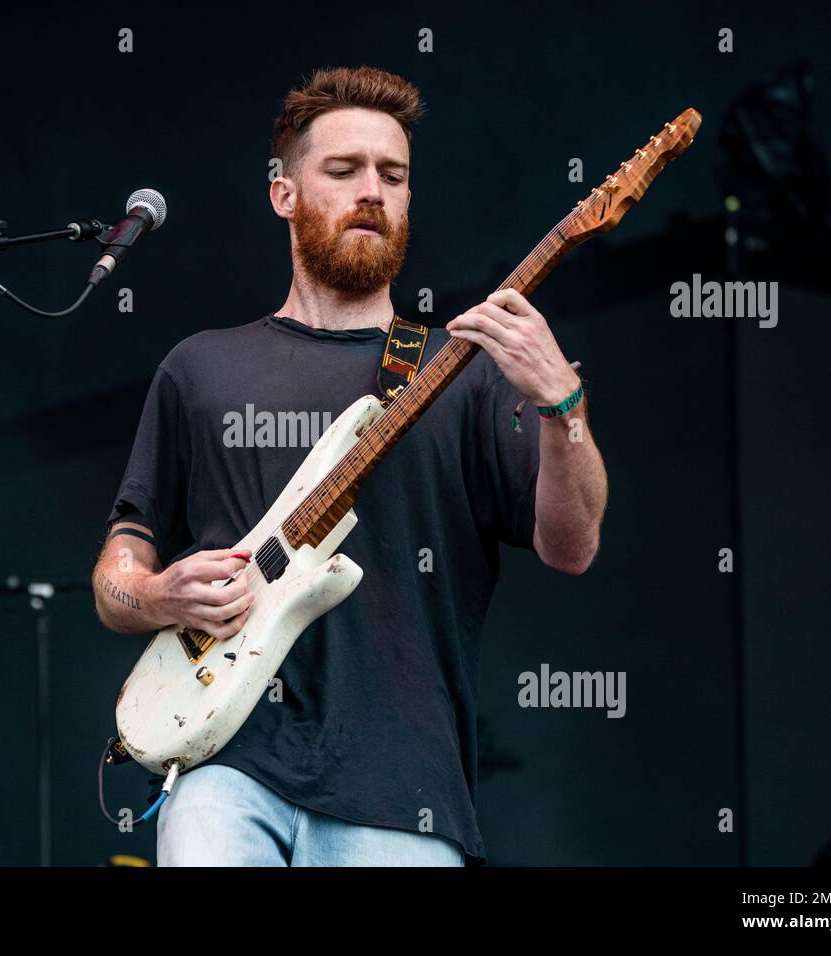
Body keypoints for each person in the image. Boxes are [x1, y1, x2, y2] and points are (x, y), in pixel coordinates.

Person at [91, 65, 608, 866]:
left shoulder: (460, 371)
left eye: (392, 175)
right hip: (223, 758)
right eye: (343, 170)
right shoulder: (198, 369)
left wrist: (563, 405)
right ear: (284, 193)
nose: (372, 189)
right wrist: (157, 593)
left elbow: (571, 546)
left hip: (403, 789)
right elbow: (120, 568)